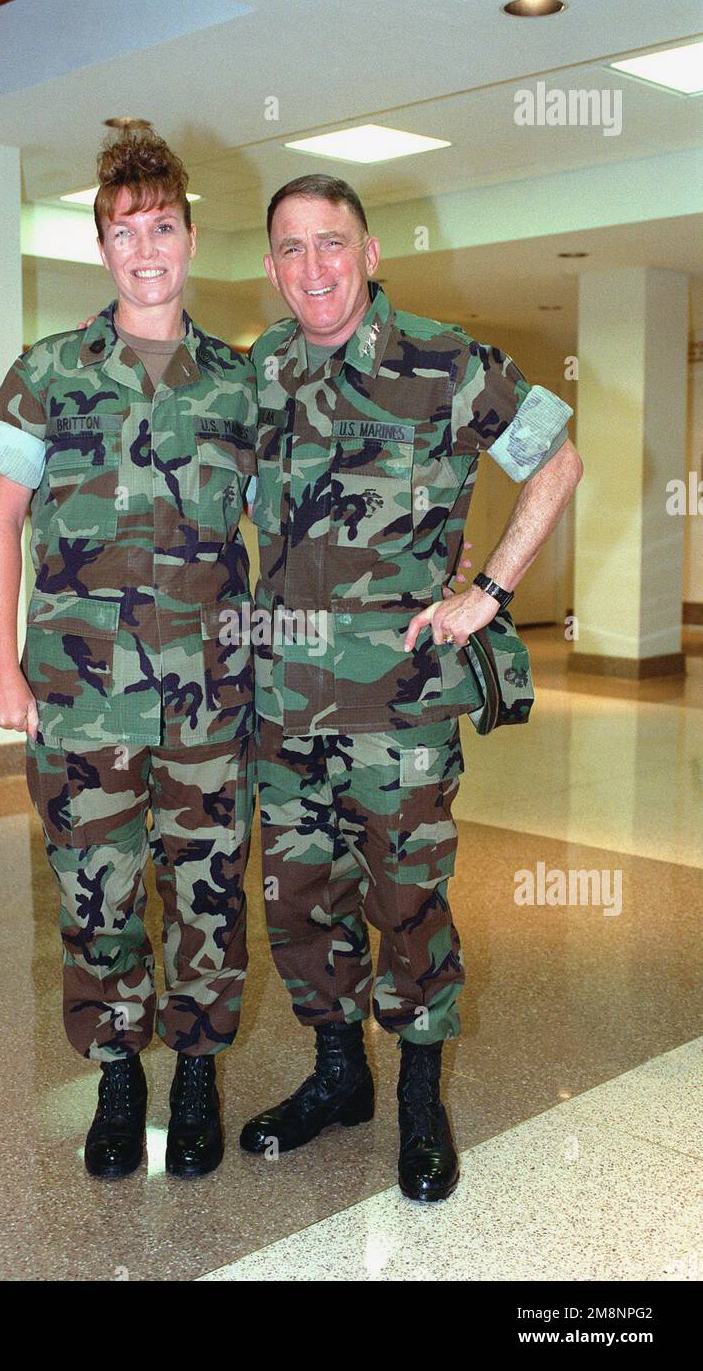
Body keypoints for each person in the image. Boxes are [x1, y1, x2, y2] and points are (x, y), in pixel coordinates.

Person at [238, 174, 583, 1201]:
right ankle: (339, 1077)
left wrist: (488, 590)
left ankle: (421, 1097)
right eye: (291, 249)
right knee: (297, 901)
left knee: (407, 901)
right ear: (270, 269)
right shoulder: (261, 369)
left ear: (369, 253)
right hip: (284, 702)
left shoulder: (445, 360)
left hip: (401, 710)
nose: (314, 269)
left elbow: (553, 463)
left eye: (331, 244)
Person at [0, 120, 257, 1181]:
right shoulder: (42, 374)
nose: (147, 248)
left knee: (207, 888)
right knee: (93, 889)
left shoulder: (237, 383)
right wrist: (1, 667)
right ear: (101, 246)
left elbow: (288, 525)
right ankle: (116, 1073)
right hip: (78, 698)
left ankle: (193, 1073)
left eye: (165, 227)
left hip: (208, 700)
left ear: (190, 236)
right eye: (126, 230)